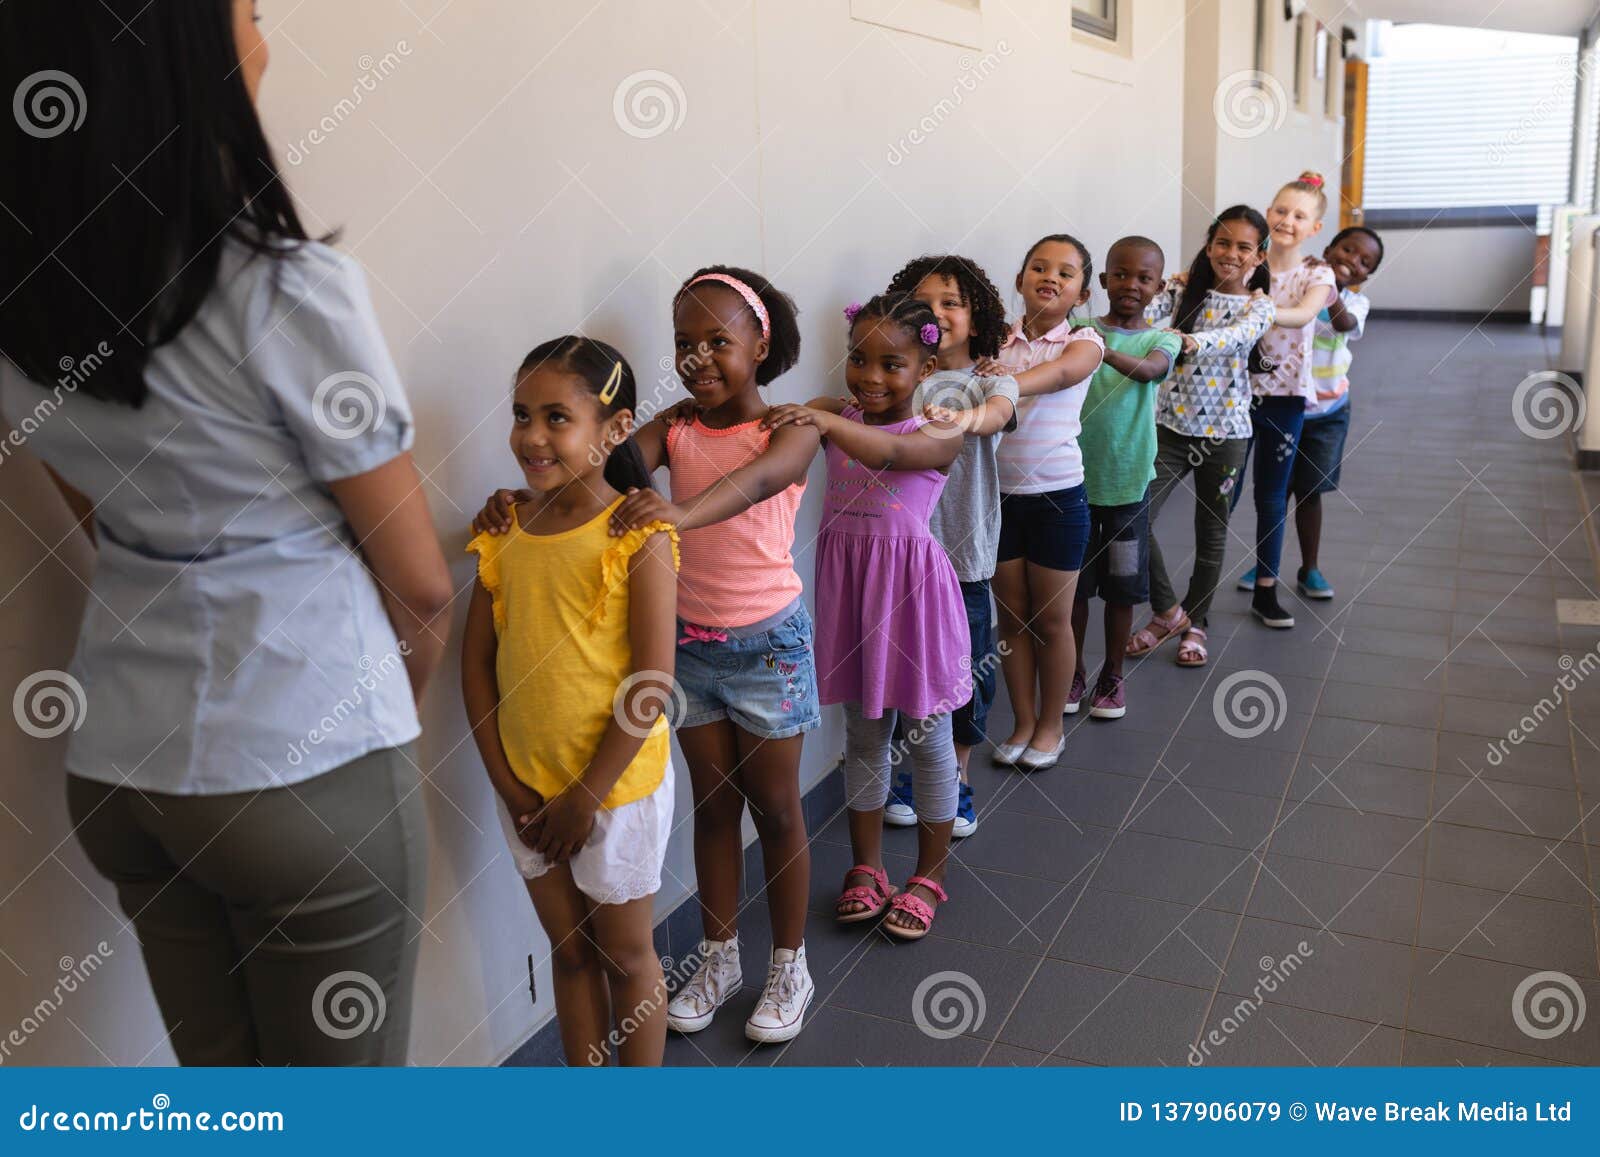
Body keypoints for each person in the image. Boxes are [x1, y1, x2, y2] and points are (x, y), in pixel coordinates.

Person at [0, 0, 452, 1064]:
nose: (264, 34)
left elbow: (102, 512)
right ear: (176, 52)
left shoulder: (23, 301)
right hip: (307, 763)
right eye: (249, 10)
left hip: (122, 767)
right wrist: (384, 707)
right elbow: (423, 586)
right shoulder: (284, 288)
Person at [471, 266, 820, 1044]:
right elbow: (598, 459)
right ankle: (721, 952)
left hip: (768, 649)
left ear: (761, 345)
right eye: (684, 342)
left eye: (718, 340)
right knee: (713, 805)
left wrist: (680, 512)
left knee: (779, 807)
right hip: (687, 650)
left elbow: (761, 480)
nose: (698, 357)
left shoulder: (790, 427)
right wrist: (517, 502)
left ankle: (789, 962)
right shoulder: (674, 426)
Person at [463, 338, 679, 1066]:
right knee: (570, 951)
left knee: (625, 956)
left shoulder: (638, 535)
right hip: (526, 790)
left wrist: (587, 793)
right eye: (522, 414)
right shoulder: (501, 530)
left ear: (615, 430)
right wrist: (507, 783)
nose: (531, 436)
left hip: (612, 794)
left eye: (558, 417)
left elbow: (651, 683)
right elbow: (475, 669)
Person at [763, 293, 968, 940]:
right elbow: (762, 424)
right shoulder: (831, 412)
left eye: (891, 363)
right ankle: (867, 866)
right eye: (858, 359)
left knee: (930, 740)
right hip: (852, 596)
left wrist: (822, 422)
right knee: (863, 734)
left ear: (926, 364)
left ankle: (929, 874)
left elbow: (888, 455)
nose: (870, 376)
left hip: (914, 601)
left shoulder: (939, 427)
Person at [880, 254, 1017, 837]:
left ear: (975, 313)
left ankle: (956, 779)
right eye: (925, 302)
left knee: (963, 673)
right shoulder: (897, 374)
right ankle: (915, 769)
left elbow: (996, 414)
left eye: (951, 303)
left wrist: (959, 417)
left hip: (962, 560)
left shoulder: (989, 379)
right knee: (906, 665)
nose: (937, 313)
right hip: (901, 553)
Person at [977, 235, 1106, 770]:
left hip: (1058, 499)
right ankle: (1023, 722)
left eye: (1066, 272)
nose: (1050, 276)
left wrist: (1000, 382)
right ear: (1020, 279)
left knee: (1052, 622)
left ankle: (1051, 727)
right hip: (999, 500)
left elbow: (1057, 377)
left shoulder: (1084, 342)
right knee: (1011, 622)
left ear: (1080, 292)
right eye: (1038, 266)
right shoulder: (994, 346)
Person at [1129, 206, 1275, 667]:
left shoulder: (1259, 304)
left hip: (1226, 436)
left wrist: (1191, 342)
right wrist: (1150, 286)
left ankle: (1198, 623)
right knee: (1133, 518)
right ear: (1209, 243)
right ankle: (1168, 611)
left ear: (1259, 255)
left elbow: (1239, 336)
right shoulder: (1179, 291)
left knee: (1211, 534)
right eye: (1223, 242)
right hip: (1170, 430)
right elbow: (1138, 315)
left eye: (1243, 247)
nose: (1230, 253)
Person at [1239, 225, 1381, 601]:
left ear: (1367, 276)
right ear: (1330, 247)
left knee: (1309, 491)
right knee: (1275, 491)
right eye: (1348, 250)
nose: (1353, 260)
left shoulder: (1354, 303)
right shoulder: (1298, 284)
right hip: (1283, 403)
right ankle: (1266, 565)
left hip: (1327, 412)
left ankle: (1309, 568)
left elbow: (1343, 324)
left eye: (1364, 262)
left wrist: (1329, 288)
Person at [1074, 237, 1183, 714]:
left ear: (1158, 288)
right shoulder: (1078, 329)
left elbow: (1148, 371)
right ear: (1102, 281)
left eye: (1144, 278)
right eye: (1120, 274)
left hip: (1127, 488)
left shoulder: (1162, 339)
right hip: (1071, 485)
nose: (1131, 285)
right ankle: (1072, 674)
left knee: (1121, 590)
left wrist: (1099, 351)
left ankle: (1112, 676)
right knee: (1073, 588)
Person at [1243, 172, 1338, 629]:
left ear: (1314, 228)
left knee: (1272, 496)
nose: (1287, 220)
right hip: (1232, 395)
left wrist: (1256, 311)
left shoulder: (1316, 273)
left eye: (1300, 215)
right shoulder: (1246, 263)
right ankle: (1195, 604)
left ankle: (1266, 588)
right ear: (1268, 213)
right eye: (1281, 210)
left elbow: (1303, 314)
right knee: (1220, 495)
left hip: (1284, 399)